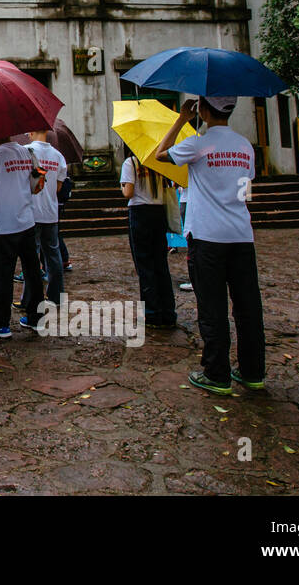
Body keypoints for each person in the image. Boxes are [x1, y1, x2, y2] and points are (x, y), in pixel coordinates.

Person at [156, 96, 264, 396]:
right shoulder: (245, 146)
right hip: (241, 234)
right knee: (248, 307)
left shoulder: (199, 143)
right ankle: (253, 371)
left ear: (202, 110)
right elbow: (247, 189)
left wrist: (181, 120)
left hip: (207, 236)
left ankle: (217, 373)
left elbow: (159, 154)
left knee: (212, 306)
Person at [0, 138, 44, 337]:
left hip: (4, 224)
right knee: (32, 272)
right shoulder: (26, 152)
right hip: (26, 220)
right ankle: (36, 317)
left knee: (3, 275)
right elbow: (35, 183)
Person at [119, 147, 177, 328]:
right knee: (161, 264)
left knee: (144, 265)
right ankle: (168, 312)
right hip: (159, 212)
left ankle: (152, 312)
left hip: (140, 213)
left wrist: (122, 186)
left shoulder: (131, 163)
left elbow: (128, 193)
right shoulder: (159, 163)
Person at [27, 129, 68, 307]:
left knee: (31, 258)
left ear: (31, 132)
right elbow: (59, 187)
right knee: (53, 255)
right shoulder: (58, 156)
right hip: (51, 211)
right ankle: (56, 296)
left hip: (31, 212)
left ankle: (29, 298)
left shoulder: (26, 151)